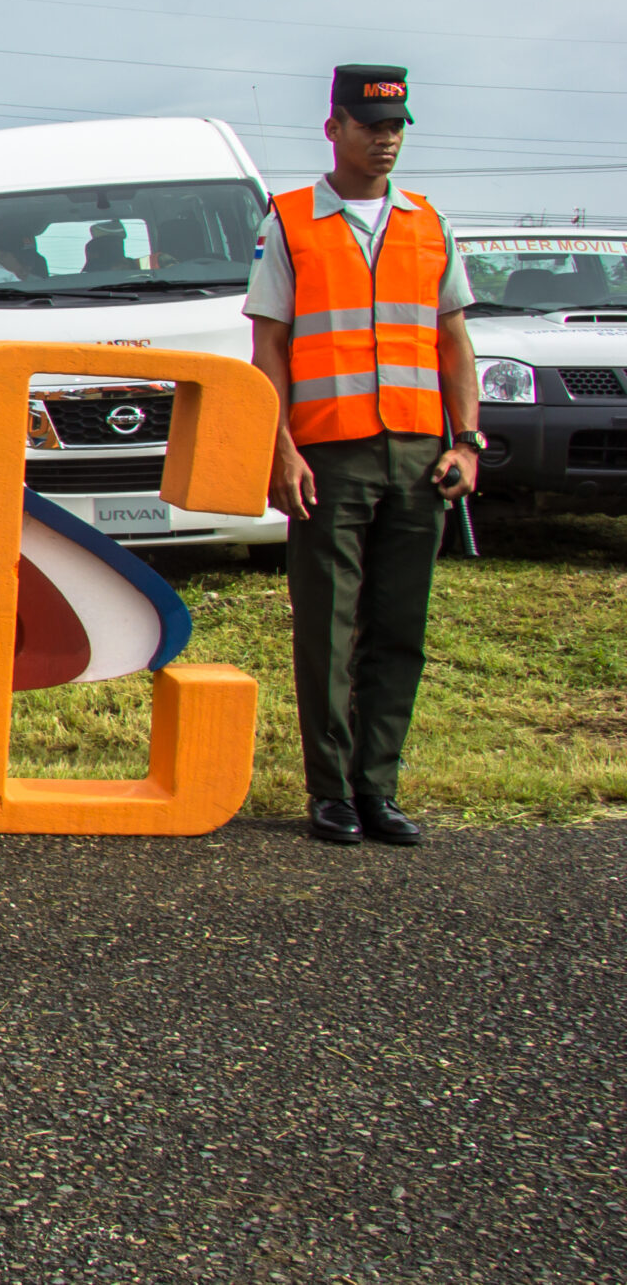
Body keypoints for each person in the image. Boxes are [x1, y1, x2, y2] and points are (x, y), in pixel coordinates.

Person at [246, 64, 481, 847]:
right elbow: (268, 346)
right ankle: (331, 792)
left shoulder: (428, 221)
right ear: (333, 128)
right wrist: (282, 448)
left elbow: (454, 341)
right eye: (370, 124)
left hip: (419, 455)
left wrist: (468, 441)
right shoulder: (290, 220)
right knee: (328, 626)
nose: (386, 139)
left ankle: (379, 788)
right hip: (331, 455)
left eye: (396, 126)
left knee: (399, 628)